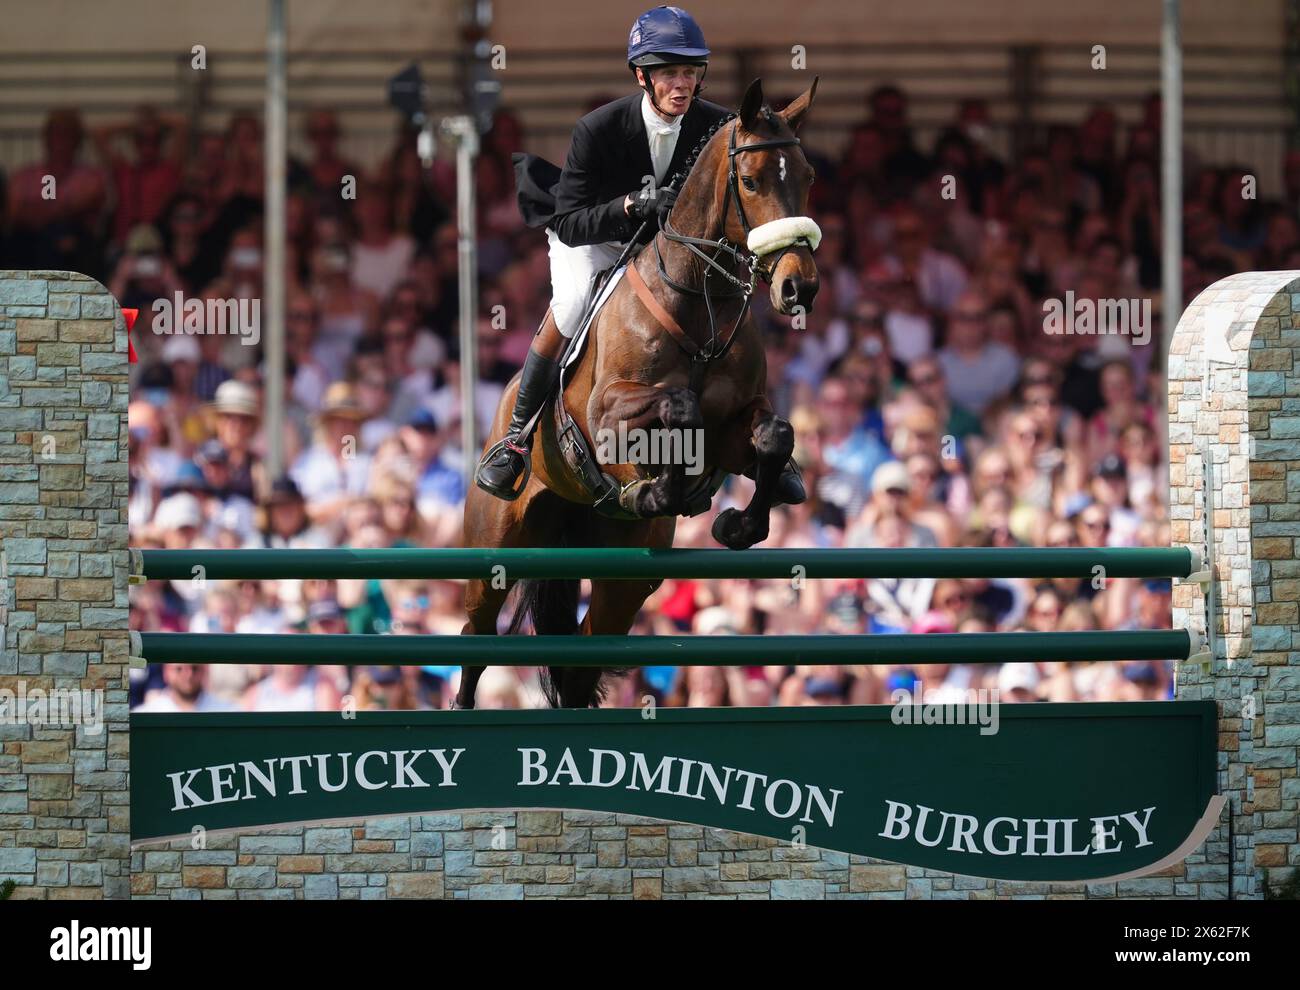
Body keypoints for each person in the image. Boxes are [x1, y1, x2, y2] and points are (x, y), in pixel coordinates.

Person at [477, 6, 800, 504]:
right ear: (642, 76)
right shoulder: (598, 129)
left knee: (723, 304)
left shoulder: (719, 128)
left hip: (667, 247)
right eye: (669, 73)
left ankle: (760, 440)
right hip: (593, 237)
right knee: (570, 304)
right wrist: (630, 205)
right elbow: (568, 221)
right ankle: (515, 440)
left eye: (690, 73)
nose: (682, 84)